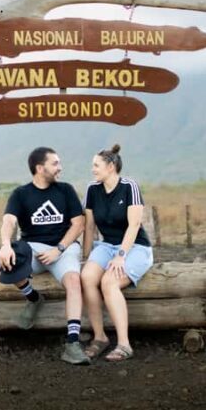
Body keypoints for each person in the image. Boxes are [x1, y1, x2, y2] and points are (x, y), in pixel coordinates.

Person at [0, 146, 89, 365]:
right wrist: (6, 245)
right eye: (55, 163)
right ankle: (34, 299)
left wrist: (59, 249)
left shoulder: (65, 190)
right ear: (40, 168)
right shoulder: (21, 193)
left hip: (63, 246)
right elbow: (9, 220)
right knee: (5, 263)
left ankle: (72, 343)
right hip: (33, 247)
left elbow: (79, 223)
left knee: (74, 281)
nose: (60, 168)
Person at [80, 144, 153, 362]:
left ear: (111, 166)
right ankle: (100, 337)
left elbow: (134, 225)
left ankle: (124, 344)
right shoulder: (93, 189)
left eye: (96, 165)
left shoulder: (129, 186)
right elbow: (90, 227)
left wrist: (121, 255)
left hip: (135, 247)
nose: (92, 169)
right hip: (106, 246)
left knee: (109, 282)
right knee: (87, 277)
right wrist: (85, 256)